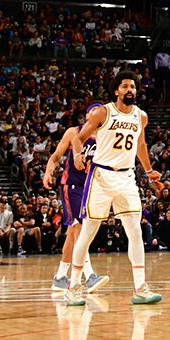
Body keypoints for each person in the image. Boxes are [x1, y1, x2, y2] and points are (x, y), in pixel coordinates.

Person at [66, 71, 163, 305]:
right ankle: (74, 285)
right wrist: (78, 154)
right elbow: (79, 137)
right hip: (101, 176)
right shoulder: (104, 112)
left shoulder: (141, 116)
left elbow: (140, 144)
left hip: (127, 177)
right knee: (88, 232)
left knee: (136, 232)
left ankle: (140, 287)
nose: (130, 90)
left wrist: (149, 171)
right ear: (116, 90)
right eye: (125, 86)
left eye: (133, 87)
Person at [44, 121, 107, 297]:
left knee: (73, 233)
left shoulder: (105, 137)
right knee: (80, 229)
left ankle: (60, 277)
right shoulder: (74, 133)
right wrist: (48, 172)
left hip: (90, 188)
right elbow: (56, 156)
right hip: (71, 186)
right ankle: (89, 275)